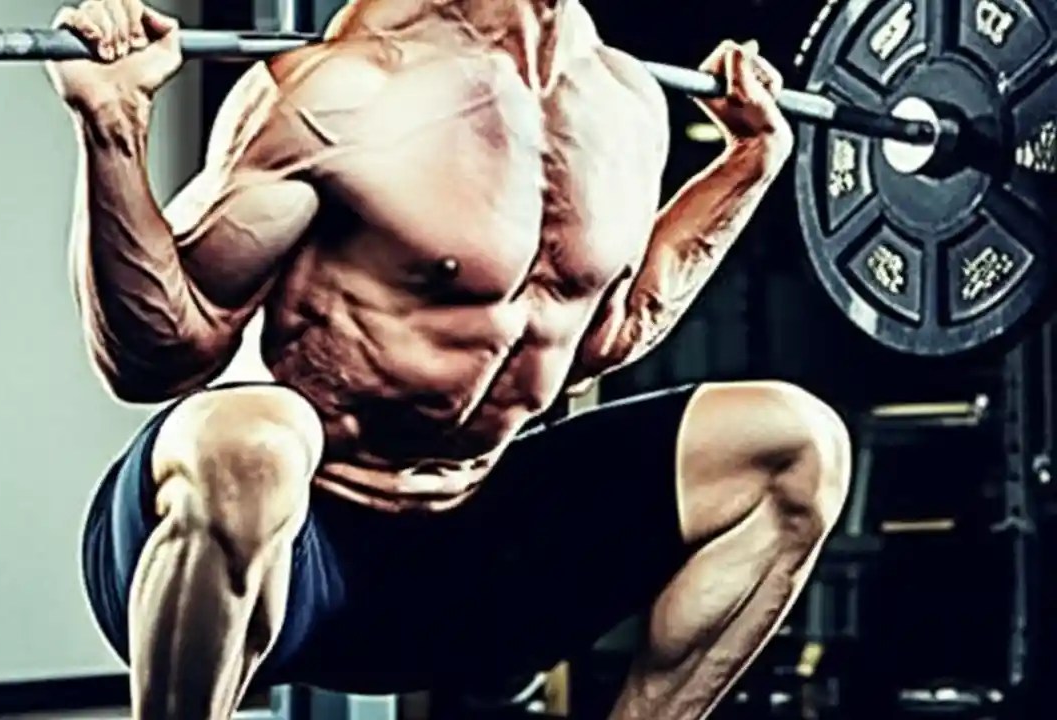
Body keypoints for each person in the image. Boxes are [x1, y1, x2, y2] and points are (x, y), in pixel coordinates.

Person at [47, 0, 851, 718]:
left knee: (794, 442)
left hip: (470, 560)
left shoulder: (625, 100)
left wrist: (748, 165)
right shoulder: (343, 90)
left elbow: (607, 333)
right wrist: (112, 127)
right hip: (287, 559)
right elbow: (154, 361)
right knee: (251, 437)